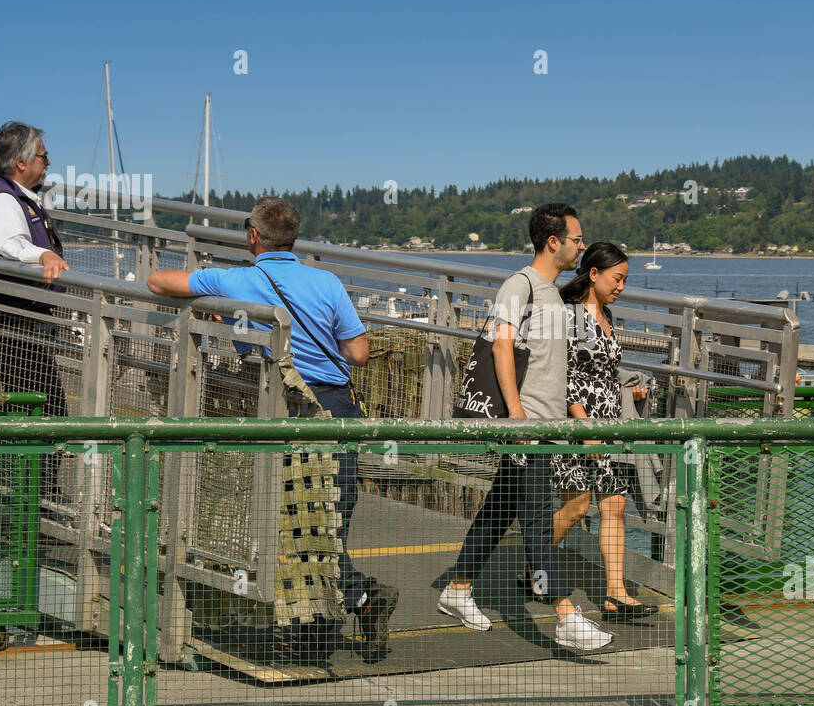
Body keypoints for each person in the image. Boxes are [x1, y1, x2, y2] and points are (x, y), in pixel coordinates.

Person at [146, 197, 398, 662]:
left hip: (288, 406)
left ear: (253, 236)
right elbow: (359, 353)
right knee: (332, 513)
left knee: (293, 518)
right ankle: (343, 612)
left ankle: (348, 605)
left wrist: (221, 306)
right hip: (338, 404)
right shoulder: (326, 281)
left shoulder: (238, 279)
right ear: (293, 237)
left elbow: (157, 280)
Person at [438, 203, 614, 651]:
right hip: (527, 423)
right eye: (576, 239)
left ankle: (457, 590)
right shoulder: (521, 285)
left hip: (546, 422)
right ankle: (564, 613)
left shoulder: (553, 294)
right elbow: (502, 345)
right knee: (536, 516)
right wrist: (516, 415)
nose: (580, 245)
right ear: (553, 241)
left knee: (499, 510)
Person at [549, 242, 656, 621]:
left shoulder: (607, 314)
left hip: (608, 423)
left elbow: (605, 372)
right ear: (593, 274)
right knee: (576, 507)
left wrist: (632, 391)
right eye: (617, 278)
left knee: (615, 506)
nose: (621, 286)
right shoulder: (568, 316)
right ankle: (536, 565)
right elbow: (563, 376)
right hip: (579, 424)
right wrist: (584, 428)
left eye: (625, 280)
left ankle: (616, 594)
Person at [0, 121, 71, 503]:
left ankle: (32, 499)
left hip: (23, 321)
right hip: (12, 321)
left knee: (37, 409)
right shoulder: (3, 200)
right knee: (45, 411)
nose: (48, 161)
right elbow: (8, 242)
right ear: (21, 162)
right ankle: (34, 503)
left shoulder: (18, 194)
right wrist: (42, 253)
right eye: (43, 155)